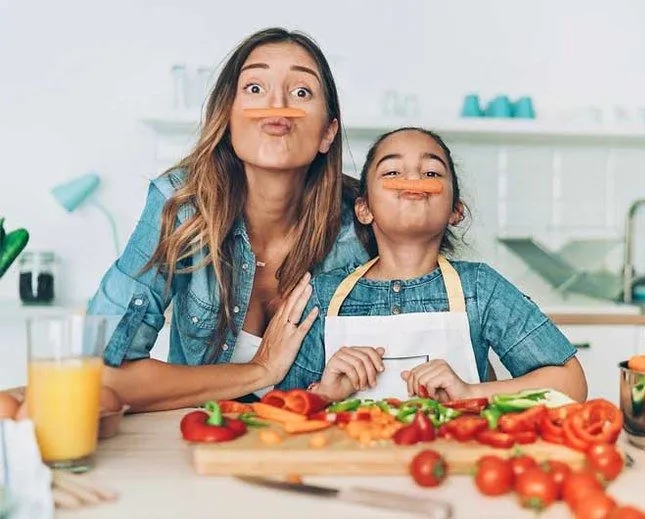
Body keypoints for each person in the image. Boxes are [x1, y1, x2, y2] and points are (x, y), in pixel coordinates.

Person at [86, 28, 369, 412]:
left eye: (301, 92)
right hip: (200, 443)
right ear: (228, 118)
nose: (277, 106)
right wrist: (261, 369)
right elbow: (100, 372)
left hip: (321, 447)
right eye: (255, 88)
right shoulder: (180, 205)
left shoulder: (362, 225)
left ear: (327, 133)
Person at [278, 127, 588, 403]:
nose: (413, 181)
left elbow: (570, 384)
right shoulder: (321, 294)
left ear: (455, 210)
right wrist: (323, 394)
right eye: (392, 173)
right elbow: (283, 406)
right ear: (364, 209)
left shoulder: (481, 288)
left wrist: (470, 392)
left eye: (431, 174)